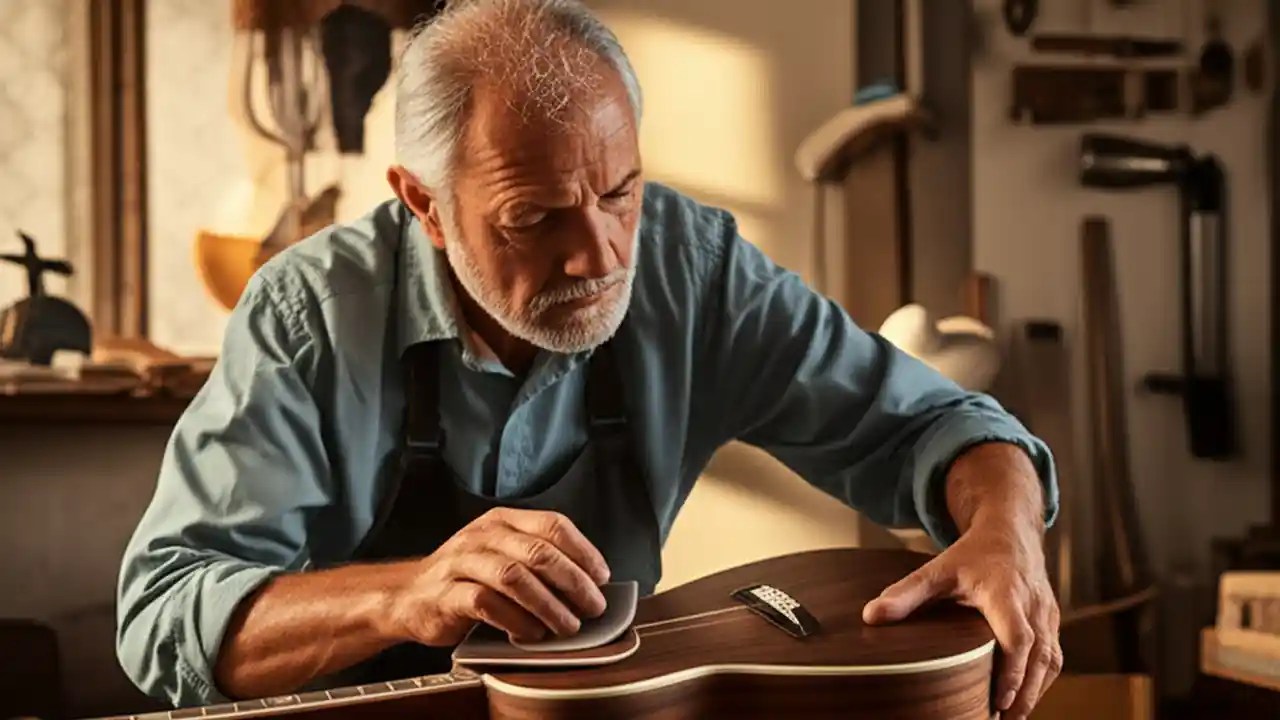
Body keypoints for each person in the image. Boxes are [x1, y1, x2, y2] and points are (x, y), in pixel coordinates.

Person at [116, 1, 1062, 718]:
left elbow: (943, 426)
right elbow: (163, 617)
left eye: (621, 192)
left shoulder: (691, 266)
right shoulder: (307, 314)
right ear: (425, 204)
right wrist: (408, 593)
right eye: (535, 219)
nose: (601, 255)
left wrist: (1008, 527)